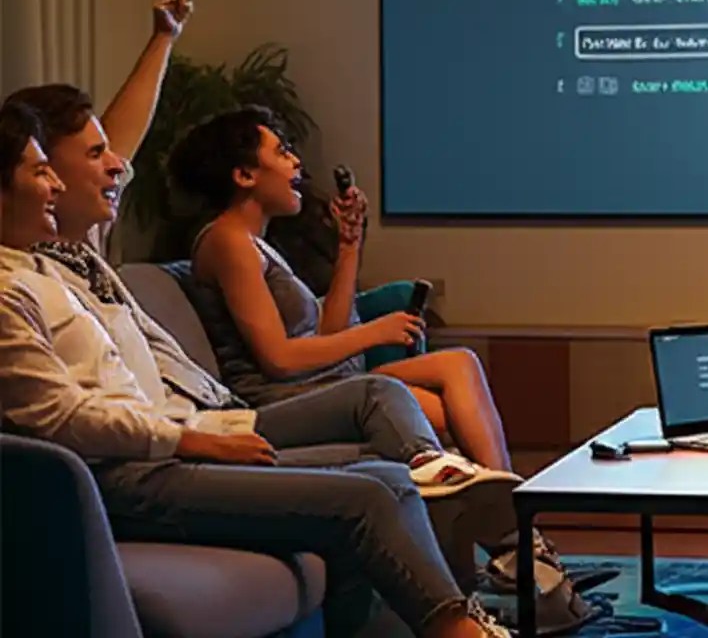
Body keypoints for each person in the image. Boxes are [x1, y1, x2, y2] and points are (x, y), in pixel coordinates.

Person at [0, 102, 512, 638]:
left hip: (186, 431)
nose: (56, 184)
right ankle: (472, 604)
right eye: (42, 171)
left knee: (390, 468)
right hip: (137, 465)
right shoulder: (15, 289)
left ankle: (465, 548)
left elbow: (323, 331)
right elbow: (61, 415)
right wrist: (189, 440)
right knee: (371, 485)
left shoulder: (61, 264)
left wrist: (349, 249)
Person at [167, 106, 517, 475]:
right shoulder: (228, 241)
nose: (296, 163)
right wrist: (375, 332)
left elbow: (329, 332)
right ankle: (502, 505)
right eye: (282, 153)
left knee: (460, 361)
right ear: (244, 175)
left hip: (316, 381)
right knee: (441, 414)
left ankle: (508, 497)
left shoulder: (257, 244)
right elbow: (279, 359)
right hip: (277, 398)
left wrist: (349, 245)